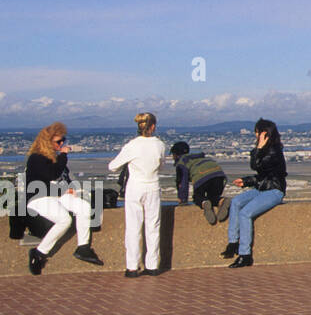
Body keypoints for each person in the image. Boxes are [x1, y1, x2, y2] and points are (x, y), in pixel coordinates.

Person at [25, 123, 103, 275]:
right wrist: (63, 156)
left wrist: (68, 189)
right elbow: (52, 174)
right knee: (64, 220)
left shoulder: (54, 158)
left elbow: (61, 177)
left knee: (84, 207)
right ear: (47, 142)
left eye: (63, 141)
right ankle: (39, 252)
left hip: (58, 196)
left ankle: (83, 248)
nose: (62, 144)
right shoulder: (36, 158)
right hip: (39, 198)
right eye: (58, 142)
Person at [218, 118, 287, 268]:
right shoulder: (267, 150)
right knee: (236, 202)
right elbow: (262, 175)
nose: (255, 135)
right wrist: (246, 181)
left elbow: (257, 166)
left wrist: (259, 149)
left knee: (245, 213)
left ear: (264, 133)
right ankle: (233, 243)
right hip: (262, 188)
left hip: (274, 191)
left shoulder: (274, 151)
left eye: (257, 132)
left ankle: (245, 255)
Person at [108, 112, 167, 278]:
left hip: (135, 187)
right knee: (153, 226)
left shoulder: (132, 146)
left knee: (134, 227)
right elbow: (161, 166)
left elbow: (112, 166)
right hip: (153, 186)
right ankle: (152, 265)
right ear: (153, 126)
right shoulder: (160, 145)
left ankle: (132, 266)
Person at [171, 141, 227, 224]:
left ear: (176, 154)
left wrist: (182, 199)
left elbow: (183, 182)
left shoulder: (182, 162)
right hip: (219, 175)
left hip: (202, 176)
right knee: (212, 197)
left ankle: (204, 203)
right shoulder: (198, 157)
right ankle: (222, 201)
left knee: (197, 197)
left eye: (173, 154)